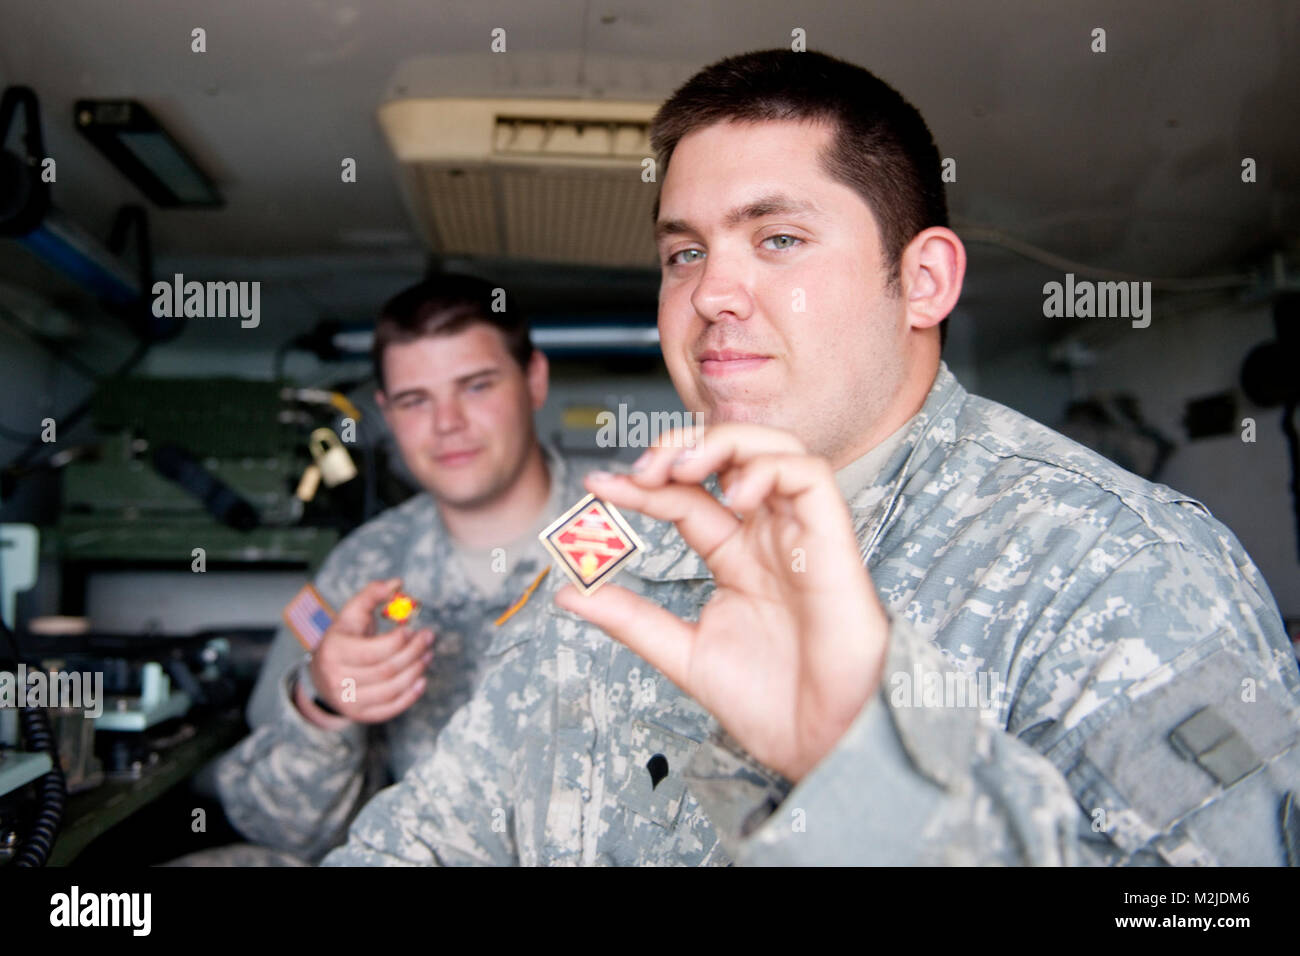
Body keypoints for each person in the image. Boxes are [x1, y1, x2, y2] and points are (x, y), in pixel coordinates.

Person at [323, 50, 1300, 866]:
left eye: (778, 237)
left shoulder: (1121, 570)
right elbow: (442, 825)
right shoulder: (618, 532)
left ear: (922, 281)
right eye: (684, 253)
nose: (711, 293)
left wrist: (865, 772)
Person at [205, 274, 594, 864]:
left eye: (477, 386)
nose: (447, 424)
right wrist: (326, 704)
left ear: (533, 380)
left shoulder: (640, 531)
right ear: (386, 411)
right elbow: (278, 830)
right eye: (416, 400)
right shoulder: (358, 571)